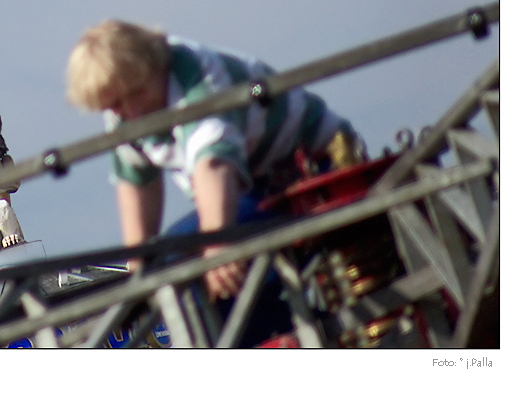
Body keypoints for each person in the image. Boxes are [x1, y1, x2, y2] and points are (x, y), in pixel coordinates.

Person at [66, 19, 364, 304]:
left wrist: (218, 247)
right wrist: (139, 275)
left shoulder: (196, 75)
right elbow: (135, 181)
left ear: (156, 65)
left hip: (313, 169)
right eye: (116, 104)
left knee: (200, 261)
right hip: (251, 187)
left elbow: (213, 162)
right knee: (170, 262)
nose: (131, 111)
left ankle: (281, 326)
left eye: (137, 93)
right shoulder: (122, 111)